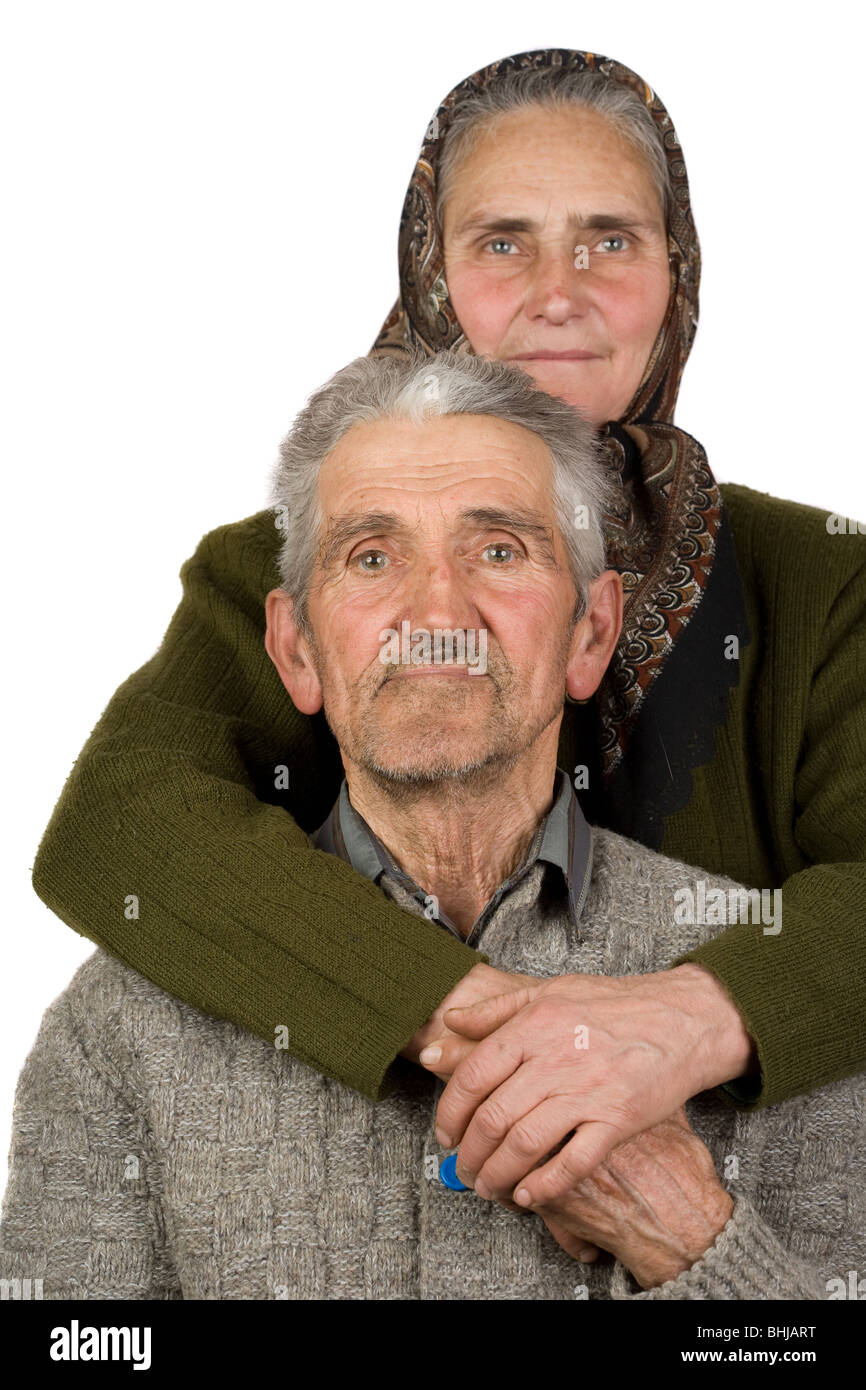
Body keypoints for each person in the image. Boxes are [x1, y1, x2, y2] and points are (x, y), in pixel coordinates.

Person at [29, 50, 866, 1202]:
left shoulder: (818, 580)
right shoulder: (294, 562)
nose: (557, 290)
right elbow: (121, 831)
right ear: (428, 268)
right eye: (502, 241)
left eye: (608, 240)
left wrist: (684, 1022)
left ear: (677, 274)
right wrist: (481, 1024)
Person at [5, 352, 862, 1300]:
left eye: (499, 550)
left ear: (590, 635)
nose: (437, 610)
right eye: (373, 558)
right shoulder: (122, 1029)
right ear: (296, 649)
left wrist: (698, 1246)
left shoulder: (783, 1013)